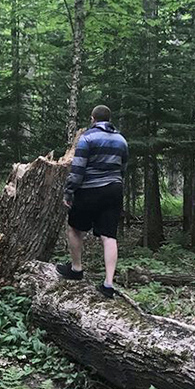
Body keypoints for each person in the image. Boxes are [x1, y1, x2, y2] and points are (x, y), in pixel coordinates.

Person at [56, 105, 128, 298]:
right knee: (109, 236)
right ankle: (108, 284)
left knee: (74, 228)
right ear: (109, 119)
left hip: (90, 189)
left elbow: (78, 170)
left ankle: (76, 269)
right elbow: (123, 168)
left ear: (92, 119)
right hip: (114, 189)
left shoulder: (87, 138)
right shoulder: (121, 140)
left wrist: (69, 192)